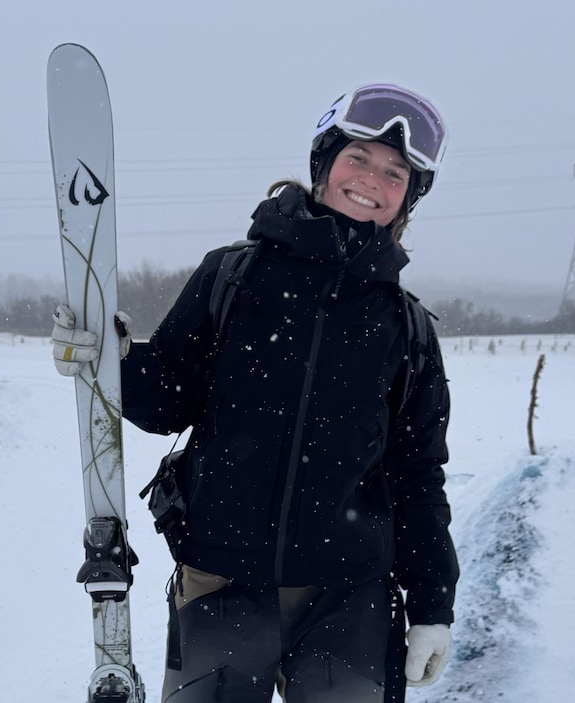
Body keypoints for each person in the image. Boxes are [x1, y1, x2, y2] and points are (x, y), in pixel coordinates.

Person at [53, 83, 458, 703]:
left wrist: (432, 606)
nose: (372, 179)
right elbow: (166, 400)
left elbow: (418, 476)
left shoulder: (407, 328)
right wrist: (110, 362)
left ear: (408, 197)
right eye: (358, 159)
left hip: (349, 599)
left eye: (394, 173)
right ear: (324, 165)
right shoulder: (232, 277)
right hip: (220, 581)